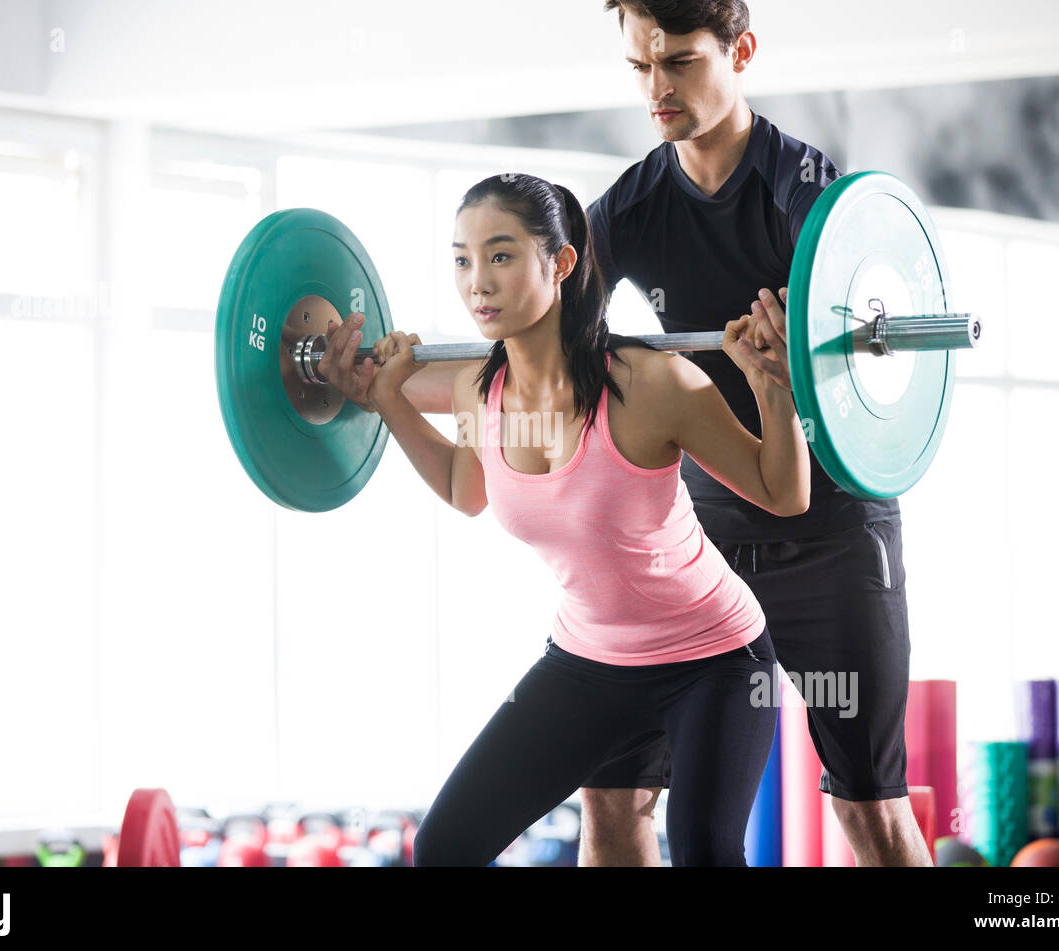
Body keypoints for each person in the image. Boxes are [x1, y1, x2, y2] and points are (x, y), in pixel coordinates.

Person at [322, 172, 808, 866]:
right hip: (590, 661)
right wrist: (389, 399)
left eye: (500, 255)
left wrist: (775, 387)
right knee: (444, 846)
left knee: (704, 849)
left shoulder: (651, 385)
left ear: (561, 262)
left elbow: (781, 492)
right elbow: (468, 488)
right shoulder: (476, 388)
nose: (476, 283)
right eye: (461, 258)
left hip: (716, 660)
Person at [566, 0, 932, 866]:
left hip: (833, 539)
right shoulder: (628, 208)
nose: (656, 89)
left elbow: (863, 354)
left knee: (868, 809)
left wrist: (801, 352)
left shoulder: (804, 189)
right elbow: (546, 339)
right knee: (613, 797)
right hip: (697, 550)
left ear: (742, 52)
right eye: (640, 67)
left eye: (681, 63)